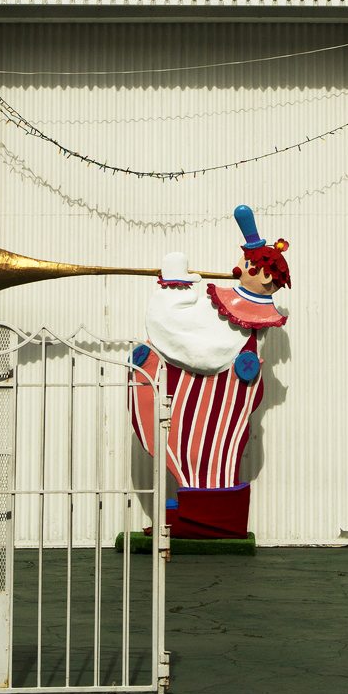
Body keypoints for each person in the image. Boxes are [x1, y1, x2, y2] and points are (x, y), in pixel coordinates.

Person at [128, 205, 289, 540]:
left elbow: (186, 333)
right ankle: (196, 507)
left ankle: (211, 515)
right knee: (187, 441)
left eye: (247, 265)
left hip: (221, 394)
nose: (238, 270)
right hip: (204, 392)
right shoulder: (229, 304)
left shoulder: (243, 311)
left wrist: (174, 287)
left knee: (210, 445)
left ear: (265, 276)